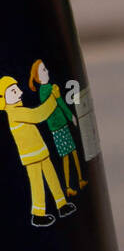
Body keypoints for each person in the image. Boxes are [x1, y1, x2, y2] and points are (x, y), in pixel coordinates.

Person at [0, 77, 75, 227]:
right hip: (31, 156)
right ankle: (38, 215)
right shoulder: (15, 113)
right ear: (3, 98)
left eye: (17, 88)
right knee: (37, 184)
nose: (19, 92)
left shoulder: (17, 109)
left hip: (40, 151)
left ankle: (62, 205)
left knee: (52, 177)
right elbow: (38, 115)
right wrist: (52, 99)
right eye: (13, 91)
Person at [30, 59, 87, 196]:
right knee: (66, 156)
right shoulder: (45, 91)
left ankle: (80, 180)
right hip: (56, 129)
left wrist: (70, 116)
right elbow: (50, 106)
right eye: (43, 70)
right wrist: (57, 98)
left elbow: (60, 103)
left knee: (73, 152)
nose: (47, 71)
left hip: (62, 125)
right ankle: (67, 187)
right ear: (38, 77)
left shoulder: (52, 88)